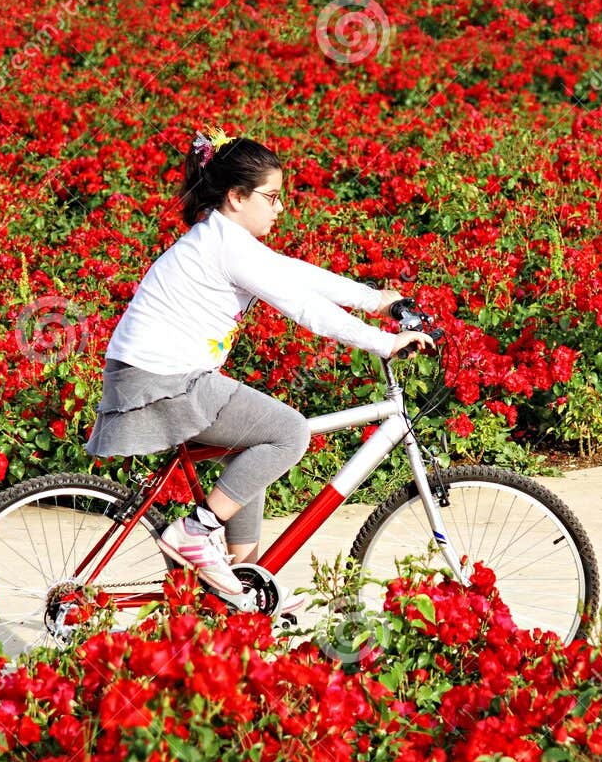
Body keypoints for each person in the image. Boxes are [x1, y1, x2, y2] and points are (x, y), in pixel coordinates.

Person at [85, 128, 433, 603]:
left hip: (157, 376)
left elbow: (296, 274)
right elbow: (305, 308)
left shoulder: (223, 240)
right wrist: (382, 342)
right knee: (288, 433)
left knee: (247, 452)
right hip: (163, 381)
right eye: (272, 197)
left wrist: (377, 301)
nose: (279, 208)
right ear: (236, 196)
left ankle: (238, 581)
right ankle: (197, 530)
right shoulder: (227, 245)